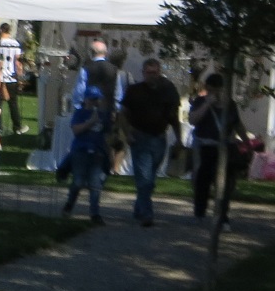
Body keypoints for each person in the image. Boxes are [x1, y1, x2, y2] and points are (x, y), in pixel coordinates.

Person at [120, 58, 181, 229]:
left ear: (159, 72)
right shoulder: (134, 91)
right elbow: (123, 114)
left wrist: (179, 139)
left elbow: (174, 117)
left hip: (159, 138)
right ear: (143, 73)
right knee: (144, 177)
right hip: (140, 137)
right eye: (148, 73)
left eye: (154, 72)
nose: (151, 76)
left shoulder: (168, 90)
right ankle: (147, 213)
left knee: (150, 178)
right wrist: (127, 134)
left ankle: (139, 207)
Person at [187, 71, 247, 221]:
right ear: (207, 88)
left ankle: (222, 213)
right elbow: (193, 120)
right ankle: (200, 209)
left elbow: (237, 124)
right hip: (204, 146)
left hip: (224, 147)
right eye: (212, 89)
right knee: (202, 179)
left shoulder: (230, 104)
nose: (216, 93)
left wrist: (246, 142)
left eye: (218, 89)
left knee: (225, 181)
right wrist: (208, 103)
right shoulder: (200, 101)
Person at [63, 61, 115, 222]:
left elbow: (108, 134)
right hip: (80, 151)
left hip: (97, 151)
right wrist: (90, 123)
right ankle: (69, 205)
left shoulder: (103, 115)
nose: (94, 102)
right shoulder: (80, 113)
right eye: (92, 99)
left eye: (97, 99)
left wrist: (110, 153)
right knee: (78, 182)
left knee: (95, 184)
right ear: (86, 99)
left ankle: (94, 213)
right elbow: (76, 130)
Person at [0, 23, 25, 134]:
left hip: (0, 77)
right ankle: (17, 127)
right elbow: (17, 62)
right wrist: (20, 77)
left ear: (1, 30)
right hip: (12, 77)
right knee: (13, 103)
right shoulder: (15, 43)